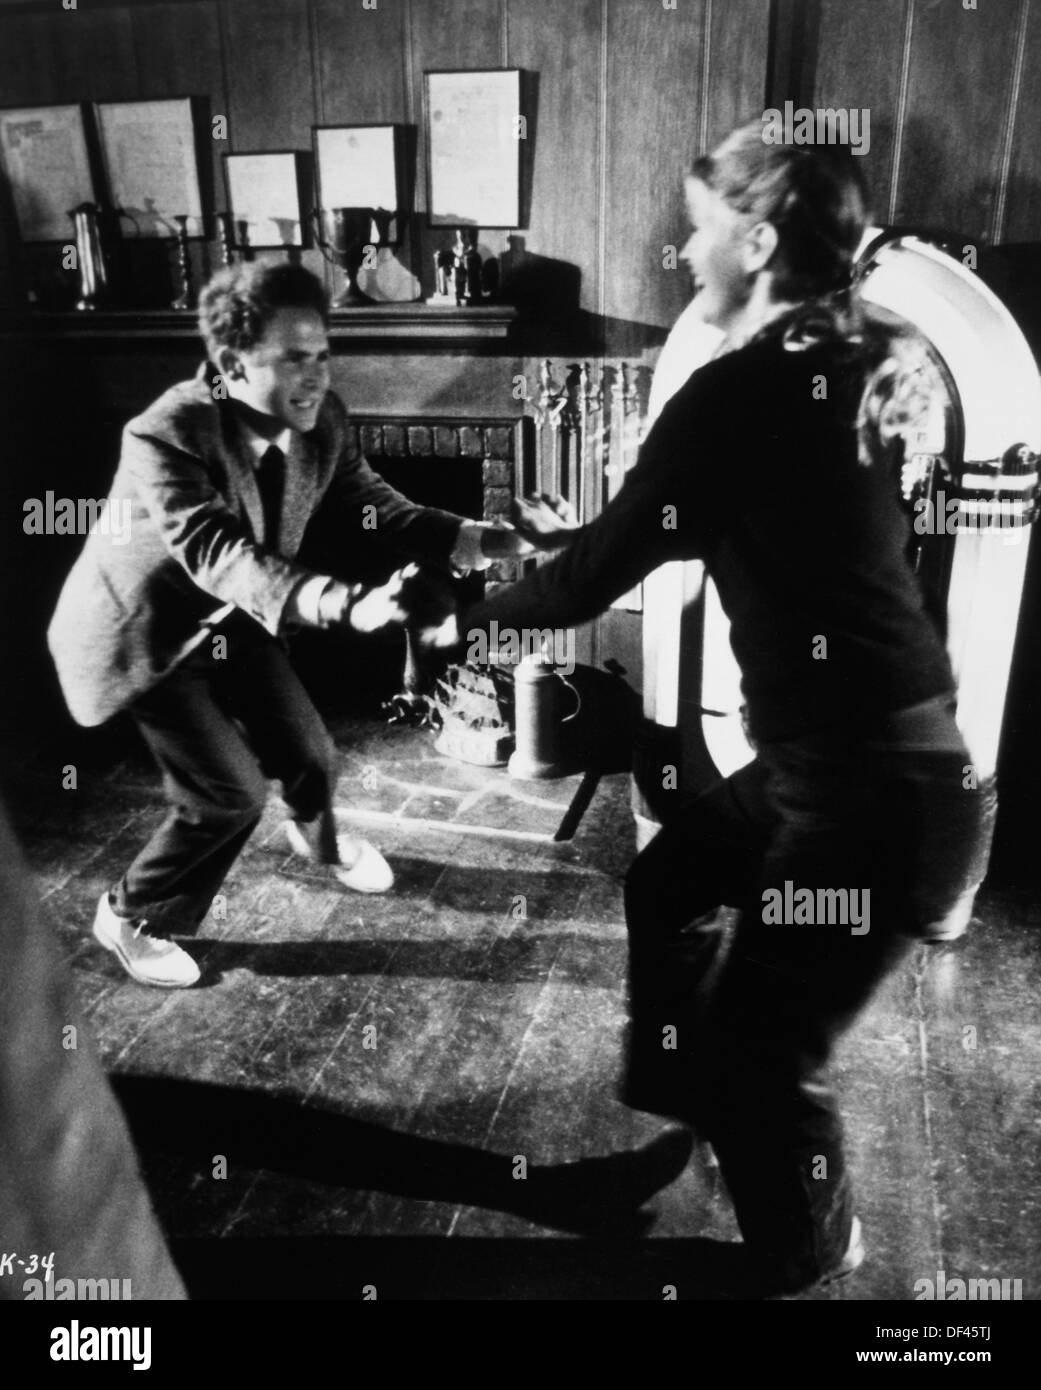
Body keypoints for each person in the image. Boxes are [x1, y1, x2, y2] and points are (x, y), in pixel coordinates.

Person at [457, 123, 988, 1295]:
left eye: (699, 226)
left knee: (765, 1056)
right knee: (668, 882)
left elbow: (596, 576)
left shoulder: (738, 391)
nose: (681, 248)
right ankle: (696, 1099)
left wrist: (467, 603)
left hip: (867, 803)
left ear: (755, 238)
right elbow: (702, 521)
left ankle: (804, 1250)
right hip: (860, 771)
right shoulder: (847, 360)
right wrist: (567, 541)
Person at [48, 260, 530, 990]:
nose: (314, 377)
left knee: (310, 752)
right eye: (293, 359)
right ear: (232, 364)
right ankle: (131, 913)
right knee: (228, 795)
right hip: (142, 634)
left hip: (229, 616)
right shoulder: (165, 433)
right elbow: (221, 556)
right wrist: (350, 605)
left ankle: (318, 837)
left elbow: (383, 509)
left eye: (322, 355)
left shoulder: (321, 421)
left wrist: (494, 539)